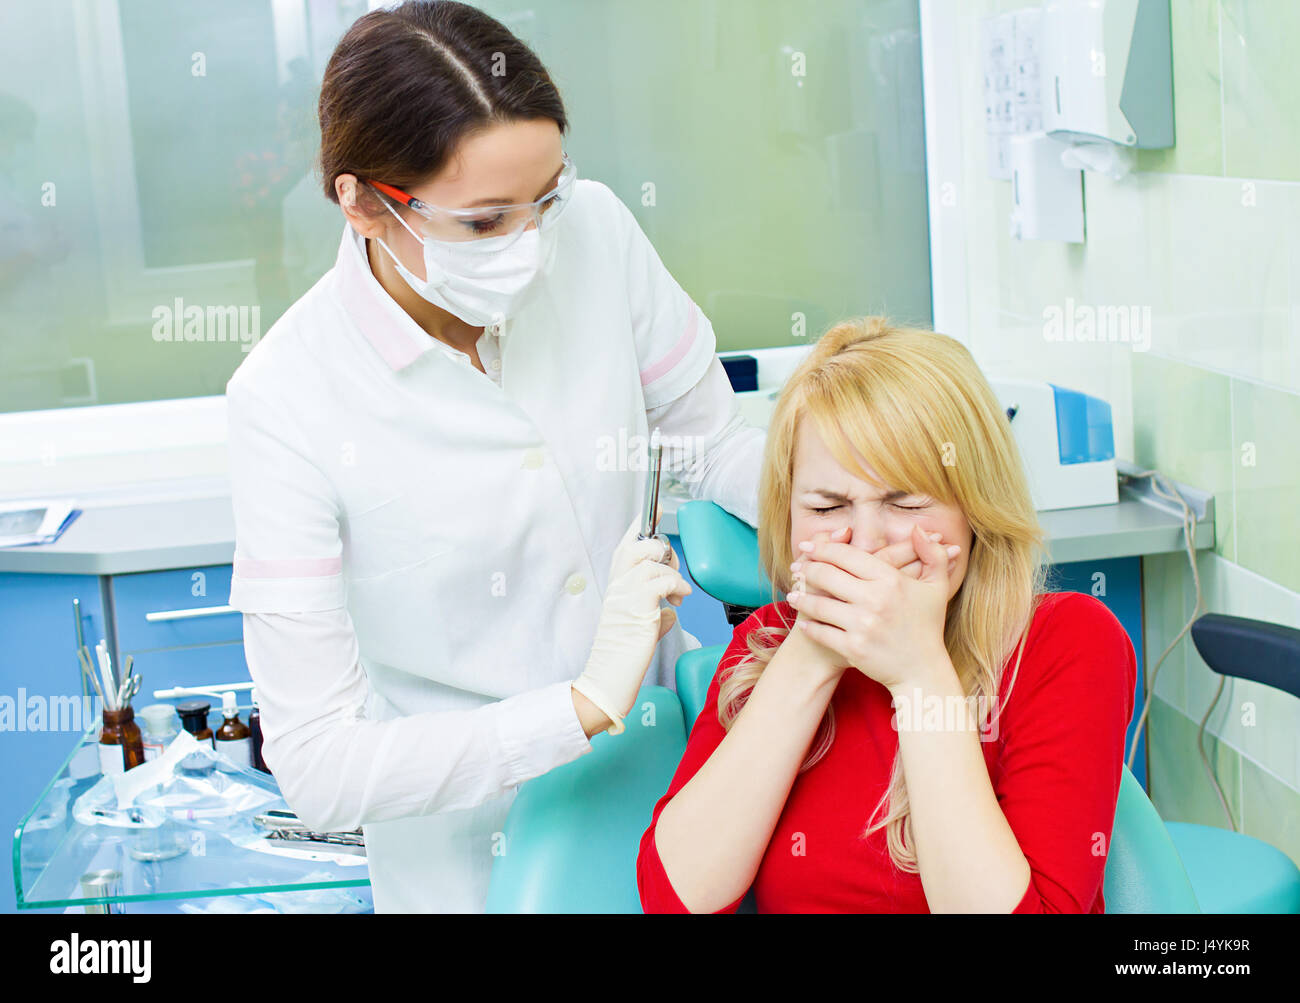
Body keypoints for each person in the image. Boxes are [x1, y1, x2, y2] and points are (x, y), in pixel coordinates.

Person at [224, 0, 764, 912]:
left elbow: (710, 445)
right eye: (482, 223)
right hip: (469, 858)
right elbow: (318, 766)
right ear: (360, 202)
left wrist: (850, 505)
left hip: (678, 791)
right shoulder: (287, 401)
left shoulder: (595, 232)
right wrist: (580, 705)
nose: (531, 243)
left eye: (545, 197)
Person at [638, 316, 1137, 913]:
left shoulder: (1066, 642)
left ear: (974, 510)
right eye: (826, 506)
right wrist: (813, 652)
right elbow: (677, 901)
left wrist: (919, 674)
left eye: (905, 502)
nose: (864, 543)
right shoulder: (766, 641)